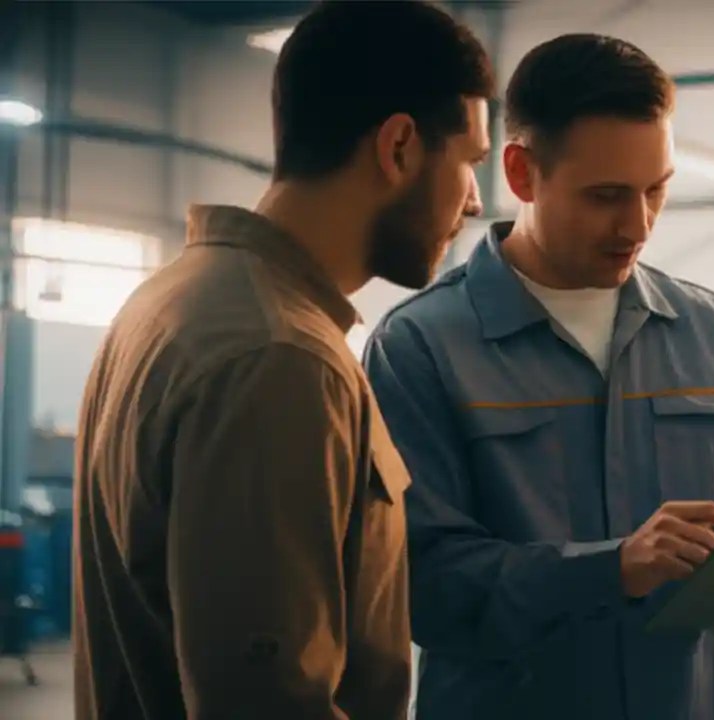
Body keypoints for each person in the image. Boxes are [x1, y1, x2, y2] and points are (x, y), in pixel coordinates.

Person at [364, 33, 714, 719]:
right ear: (523, 174)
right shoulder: (420, 347)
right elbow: (418, 585)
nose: (637, 224)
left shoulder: (712, 330)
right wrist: (609, 569)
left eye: (656, 190)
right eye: (607, 195)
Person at [71, 2, 492, 718]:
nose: (476, 202)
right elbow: (268, 703)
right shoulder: (281, 360)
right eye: (470, 162)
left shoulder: (173, 301)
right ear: (398, 147)